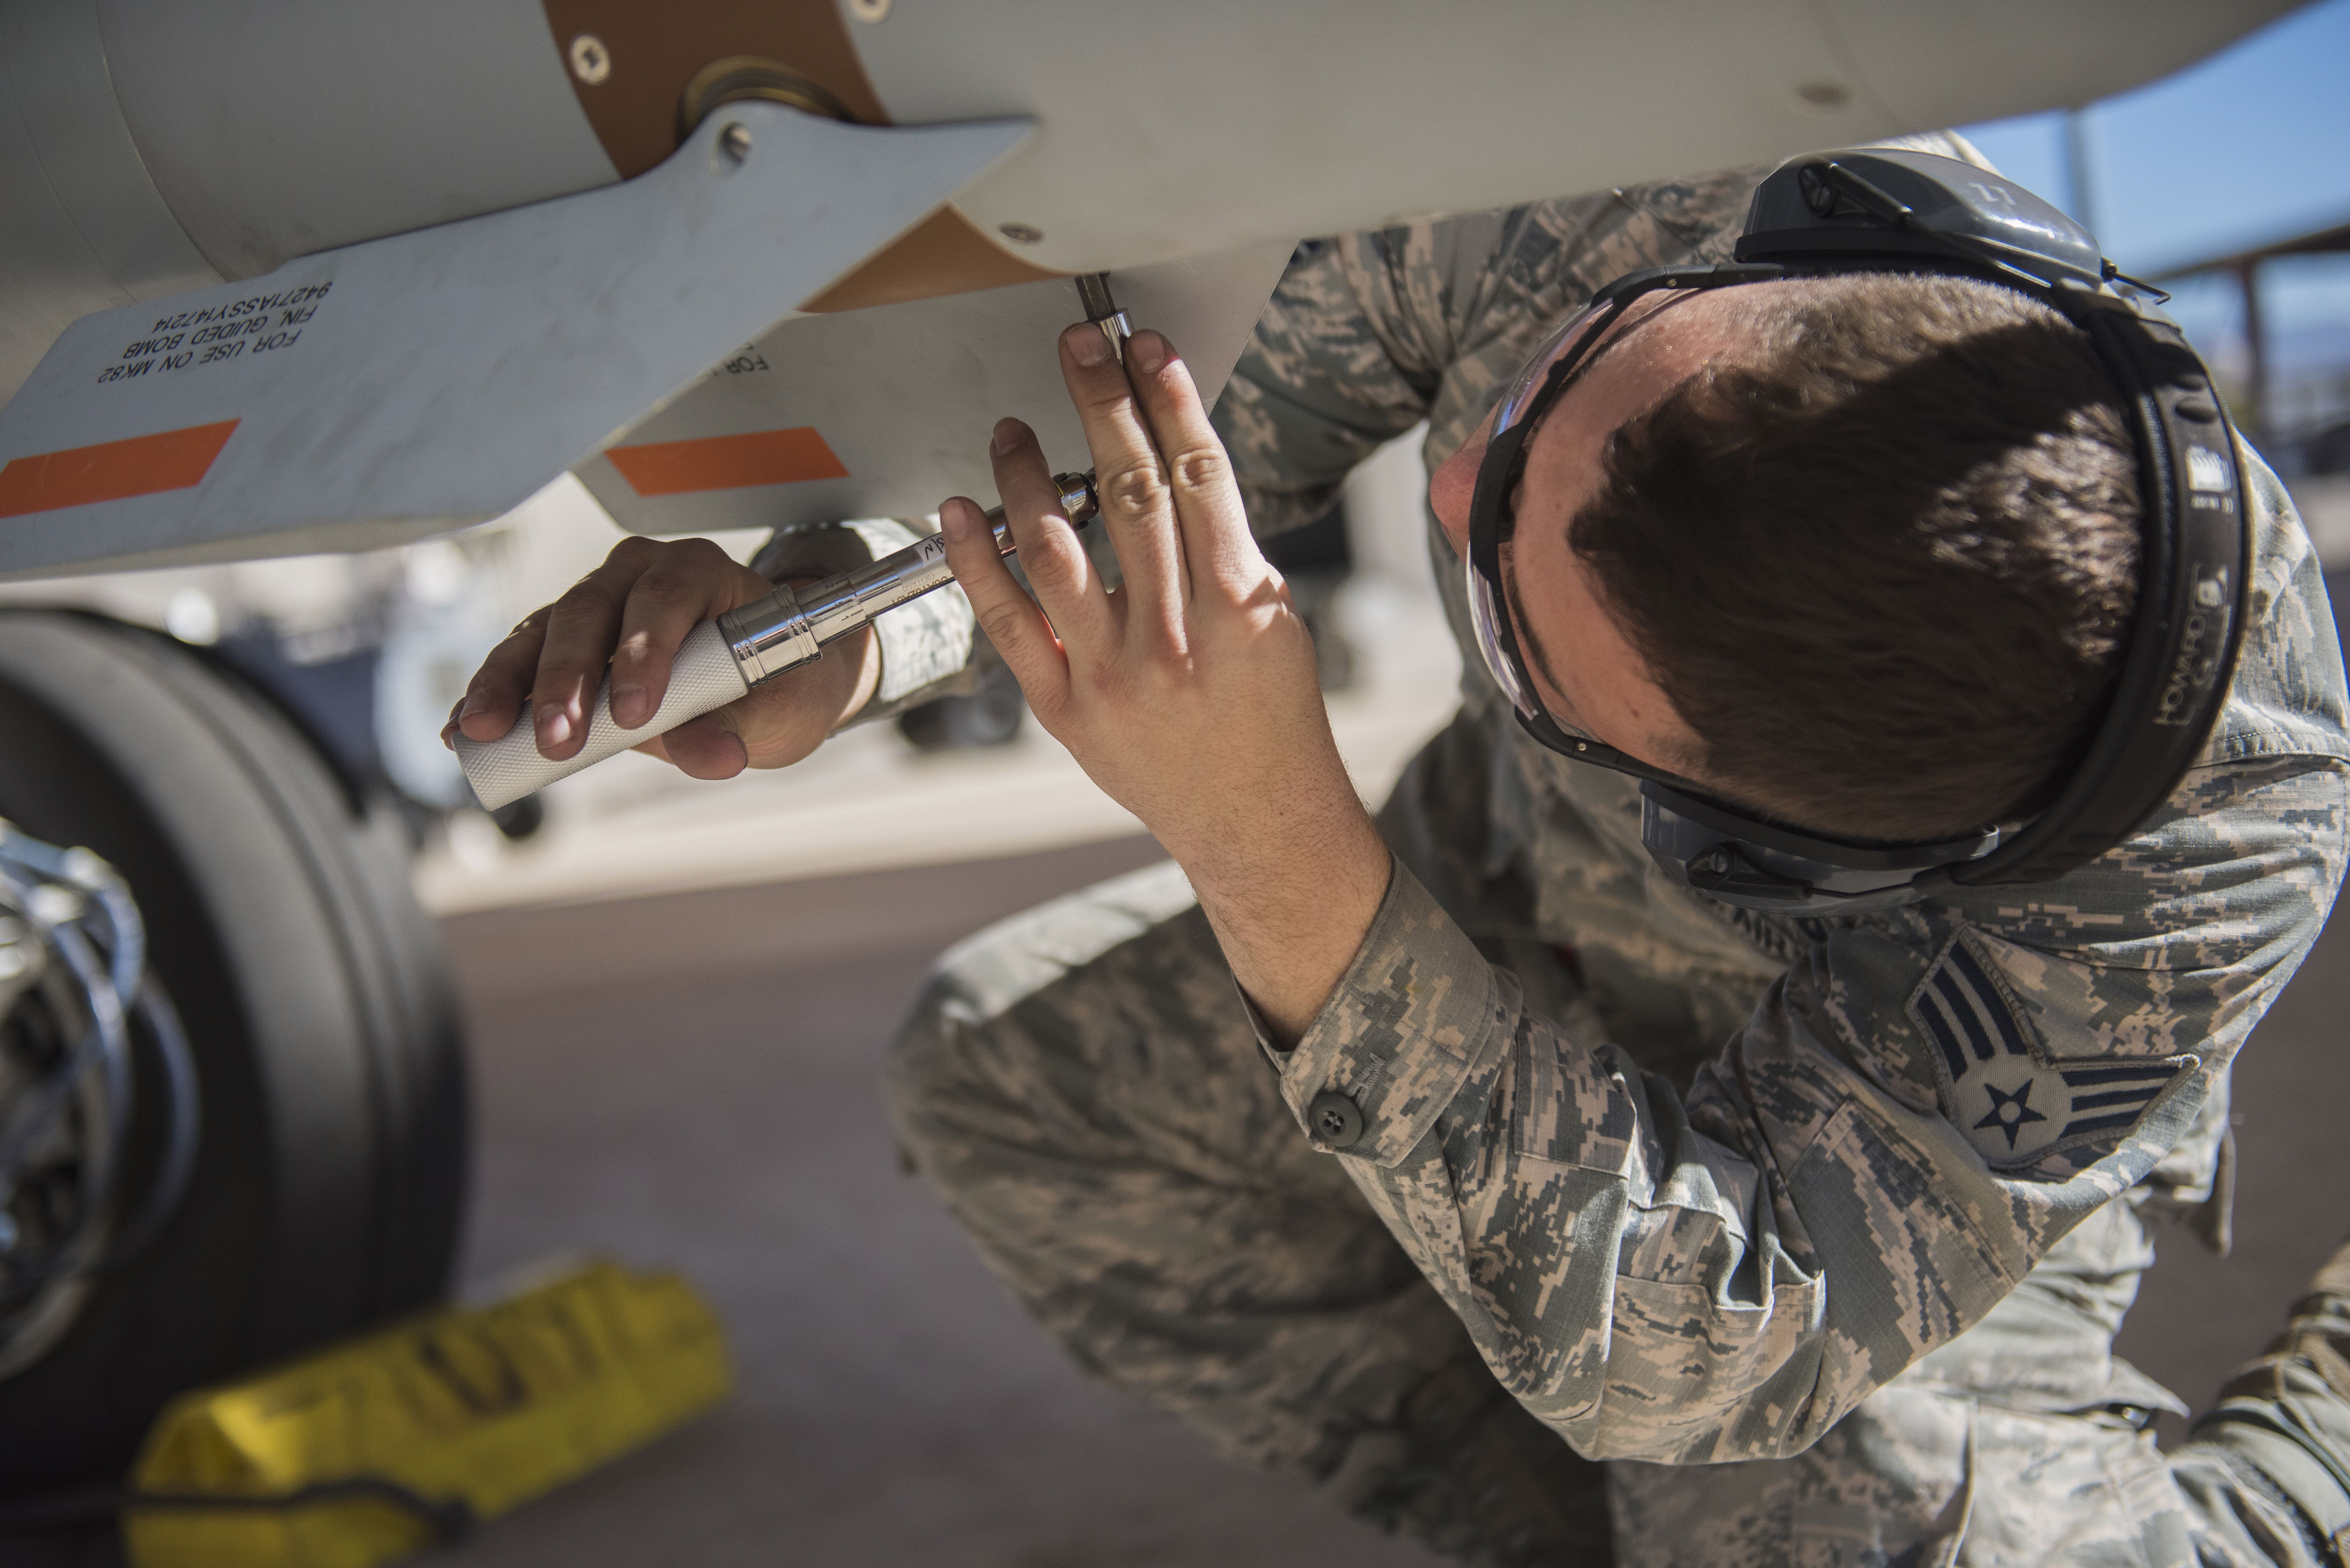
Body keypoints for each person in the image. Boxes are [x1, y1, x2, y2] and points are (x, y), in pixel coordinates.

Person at [447, 143, 2350, 1565]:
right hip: (1513, 895)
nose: (1443, 489)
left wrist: (1266, 838)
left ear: (1748, 842)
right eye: (1543, 397)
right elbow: (1160, 478)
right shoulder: (1638, 180)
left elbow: (1708, 1337)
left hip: (1873, 1113)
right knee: (1007, 1078)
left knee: (1794, 1485)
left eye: (1506, 603)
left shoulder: (2186, 869)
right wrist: (848, 629)